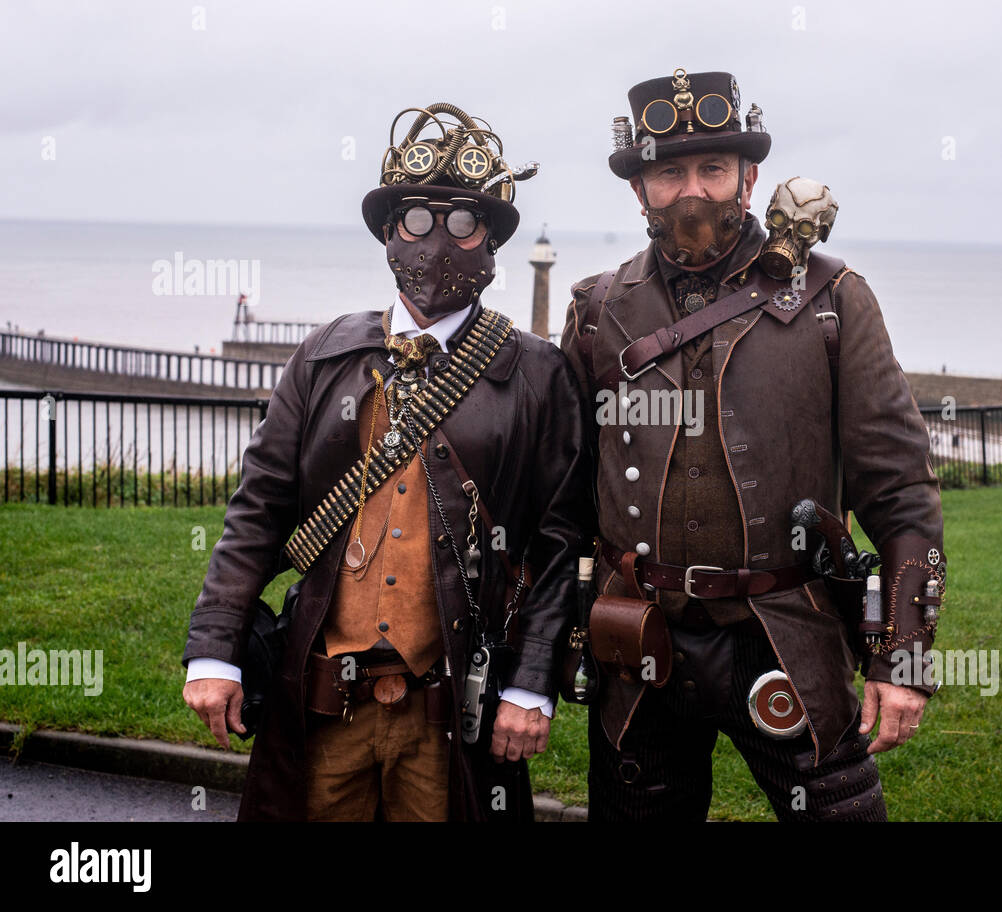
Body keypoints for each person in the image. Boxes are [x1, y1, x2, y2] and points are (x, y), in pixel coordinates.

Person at [182, 102, 589, 821]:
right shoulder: (325, 355)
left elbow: (558, 542)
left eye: (463, 222)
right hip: (322, 697)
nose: (439, 242)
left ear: (490, 243)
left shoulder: (536, 372)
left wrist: (529, 686)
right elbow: (258, 508)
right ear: (388, 234)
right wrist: (215, 650)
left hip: (450, 703)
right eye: (418, 221)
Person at [561, 69, 947, 821]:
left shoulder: (833, 301)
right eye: (669, 172)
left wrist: (901, 658)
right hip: (639, 642)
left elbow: (900, 491)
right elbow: (566, 498)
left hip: (788, 636)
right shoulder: (596, 312)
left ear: (750, 177)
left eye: (713, 168)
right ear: (639, 189)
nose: (693, 190)